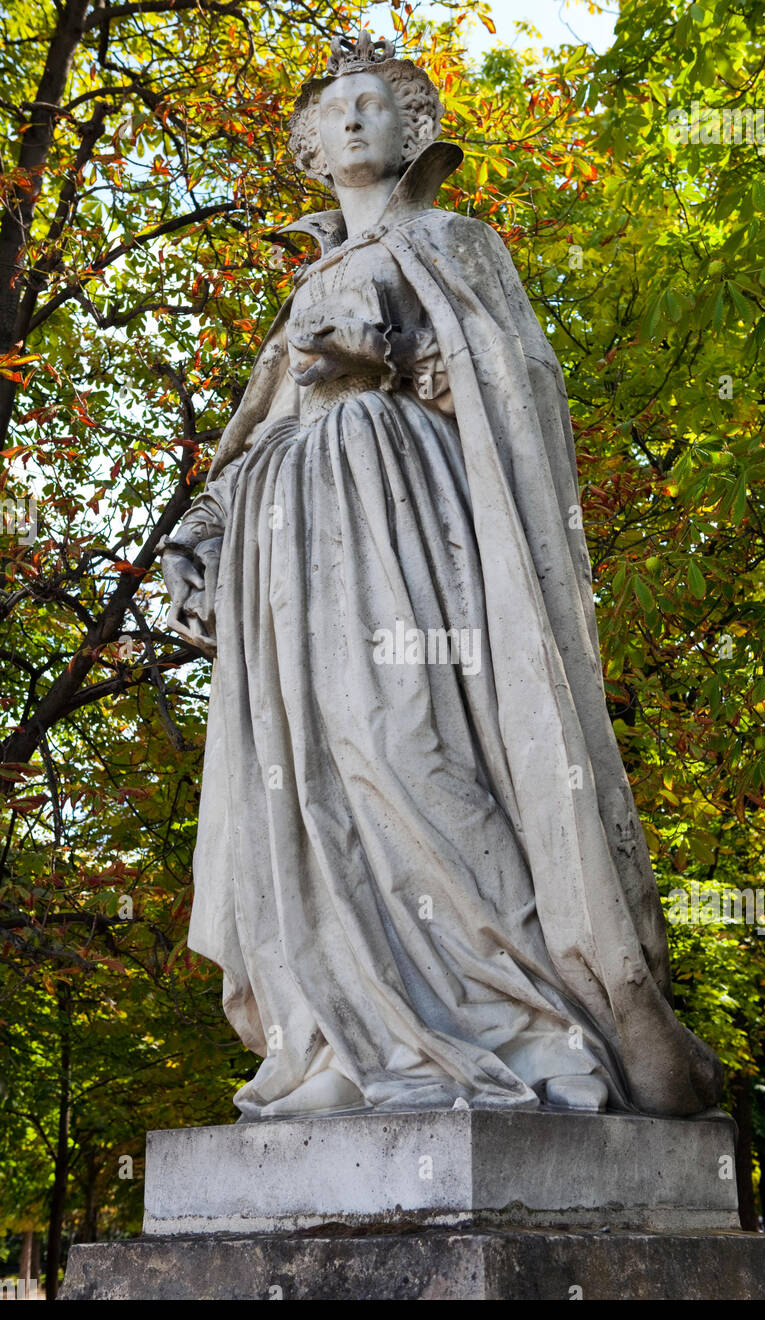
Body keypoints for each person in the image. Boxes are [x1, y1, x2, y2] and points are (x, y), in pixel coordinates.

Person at [160, 32, 722, 1121]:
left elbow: (518, 395)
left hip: (407, 533)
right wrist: (209, 525)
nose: (359, 119)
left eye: (380, 104)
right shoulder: (303, 287)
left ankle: (521, 1021)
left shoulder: (455, 241)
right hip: (292, 554)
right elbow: (253, 432)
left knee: (408, 746)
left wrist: (393, 363)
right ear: (310, 144)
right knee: (310, 777)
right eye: (339, 109)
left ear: (413, 131)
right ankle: (343, 1039)